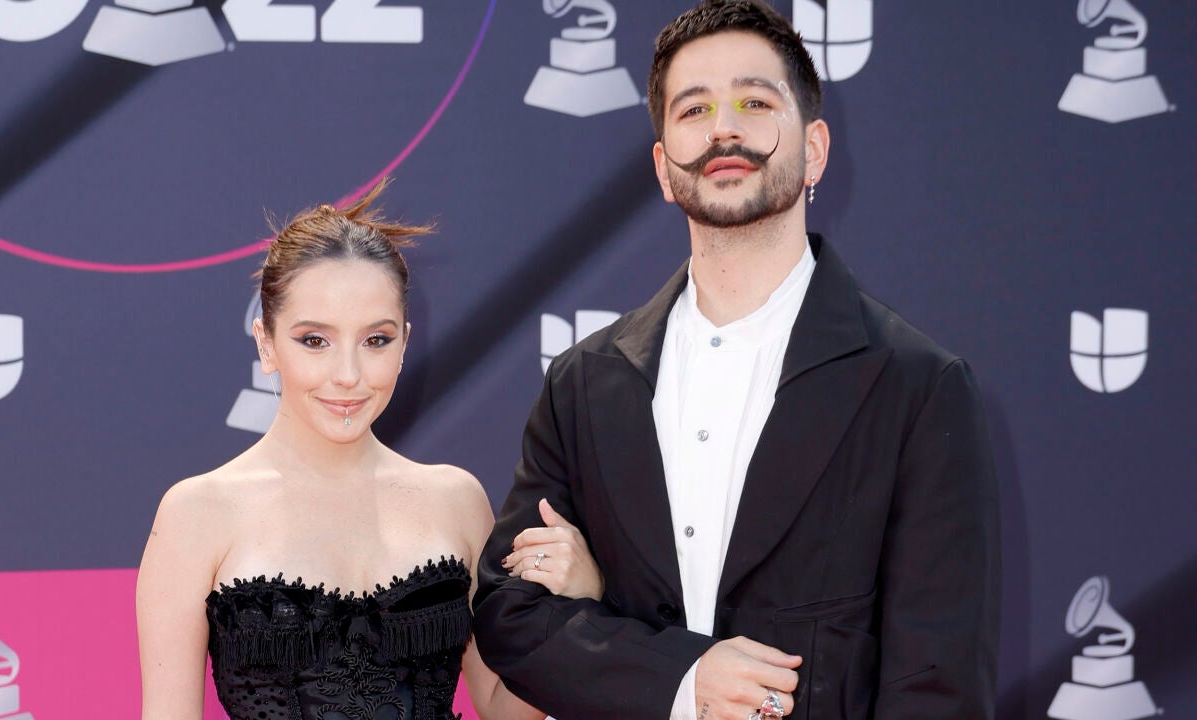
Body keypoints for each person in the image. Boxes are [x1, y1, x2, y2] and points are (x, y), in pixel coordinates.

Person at [472, 1, 1001, 719]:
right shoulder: (584, 383)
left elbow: (937, 689)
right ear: (663, 167)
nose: (724, 127)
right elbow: (512, 615)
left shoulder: (917, 387)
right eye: (694, 109)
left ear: (814, 149)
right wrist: (683, 681)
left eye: (755, 101)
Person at [135, 179, 605, 720]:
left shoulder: (456, 500)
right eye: (315, 340)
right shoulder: (197, 513)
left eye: (375, 340)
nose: (348, 375)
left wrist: (575, 604)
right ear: (265, 342)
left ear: (405, 342)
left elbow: (504, 709)